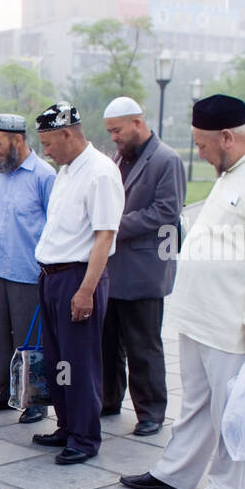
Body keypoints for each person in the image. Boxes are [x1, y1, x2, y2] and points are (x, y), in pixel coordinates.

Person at [120, 94, 245, 489]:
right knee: (198, 403)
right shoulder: (234, 169)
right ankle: (176, 472)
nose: (199, 154)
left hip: (233, 323)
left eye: (201, 145)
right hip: (200, 316)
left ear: (226, 137)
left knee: (231, 410)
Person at [29, 102, 125, 464]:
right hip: (51, 276)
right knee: (58, 361)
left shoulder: (100, 173)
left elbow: (104, 237)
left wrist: (86, 291)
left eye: (49, 143)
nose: (46, 151)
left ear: (68, 134)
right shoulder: (67, 171)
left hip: (78, 278)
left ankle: (85, 438)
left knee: (80, 363)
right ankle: (67, 426)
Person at [101, 96, 187, 437]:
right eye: (110, 133)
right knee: (107, 344)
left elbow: (166, 211)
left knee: (142, 345)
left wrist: (113, 225)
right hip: (112, 269)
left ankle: (151, 412)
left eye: (117, 130)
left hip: (144, 272)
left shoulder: (167, 160)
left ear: (137, 123)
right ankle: (108, 399)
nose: (114, 138)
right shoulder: (118, 158)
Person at [0, 113, 55, 424]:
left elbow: (53, 225)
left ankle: (35, 400)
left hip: (28, 271)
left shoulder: (44, 176)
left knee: (29, 338)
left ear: (17, 140)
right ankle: (5, 391)